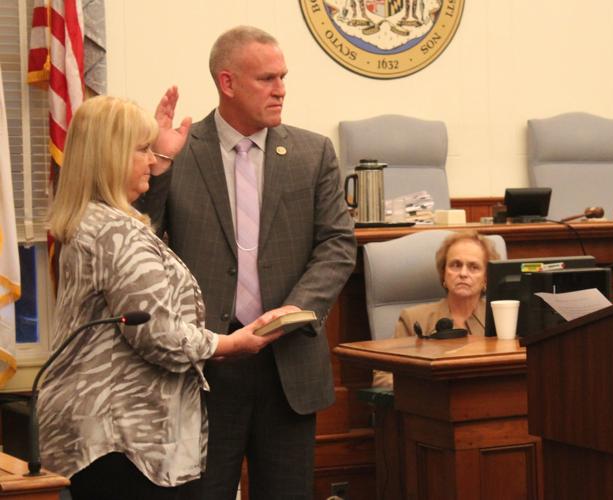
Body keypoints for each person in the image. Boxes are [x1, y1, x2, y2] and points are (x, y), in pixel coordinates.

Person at [134, 26, 357, 499]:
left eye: (283, 77)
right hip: (206, 366)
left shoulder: (312, 152)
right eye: (267, 79)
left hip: (288, 364)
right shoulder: (181, 150)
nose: (281, 89)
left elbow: (338, 244)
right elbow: (142, 243)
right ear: (227, 82)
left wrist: (295, 310)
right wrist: (157, 168)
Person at [39, 95, 279, 499]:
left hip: (103, 432)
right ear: (111, 157)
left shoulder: (92, 221)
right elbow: (157, 334)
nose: (151, 161)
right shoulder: (117, 233)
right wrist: (232, 342)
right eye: (141, 150)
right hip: (127, 438)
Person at [373, 231, 499, 388]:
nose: (463, 274)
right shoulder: (413, 318)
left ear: (486, 278)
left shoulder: (500, 319)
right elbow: (383, 376)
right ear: (443, 273)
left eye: (473, 267)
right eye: (456, 265)